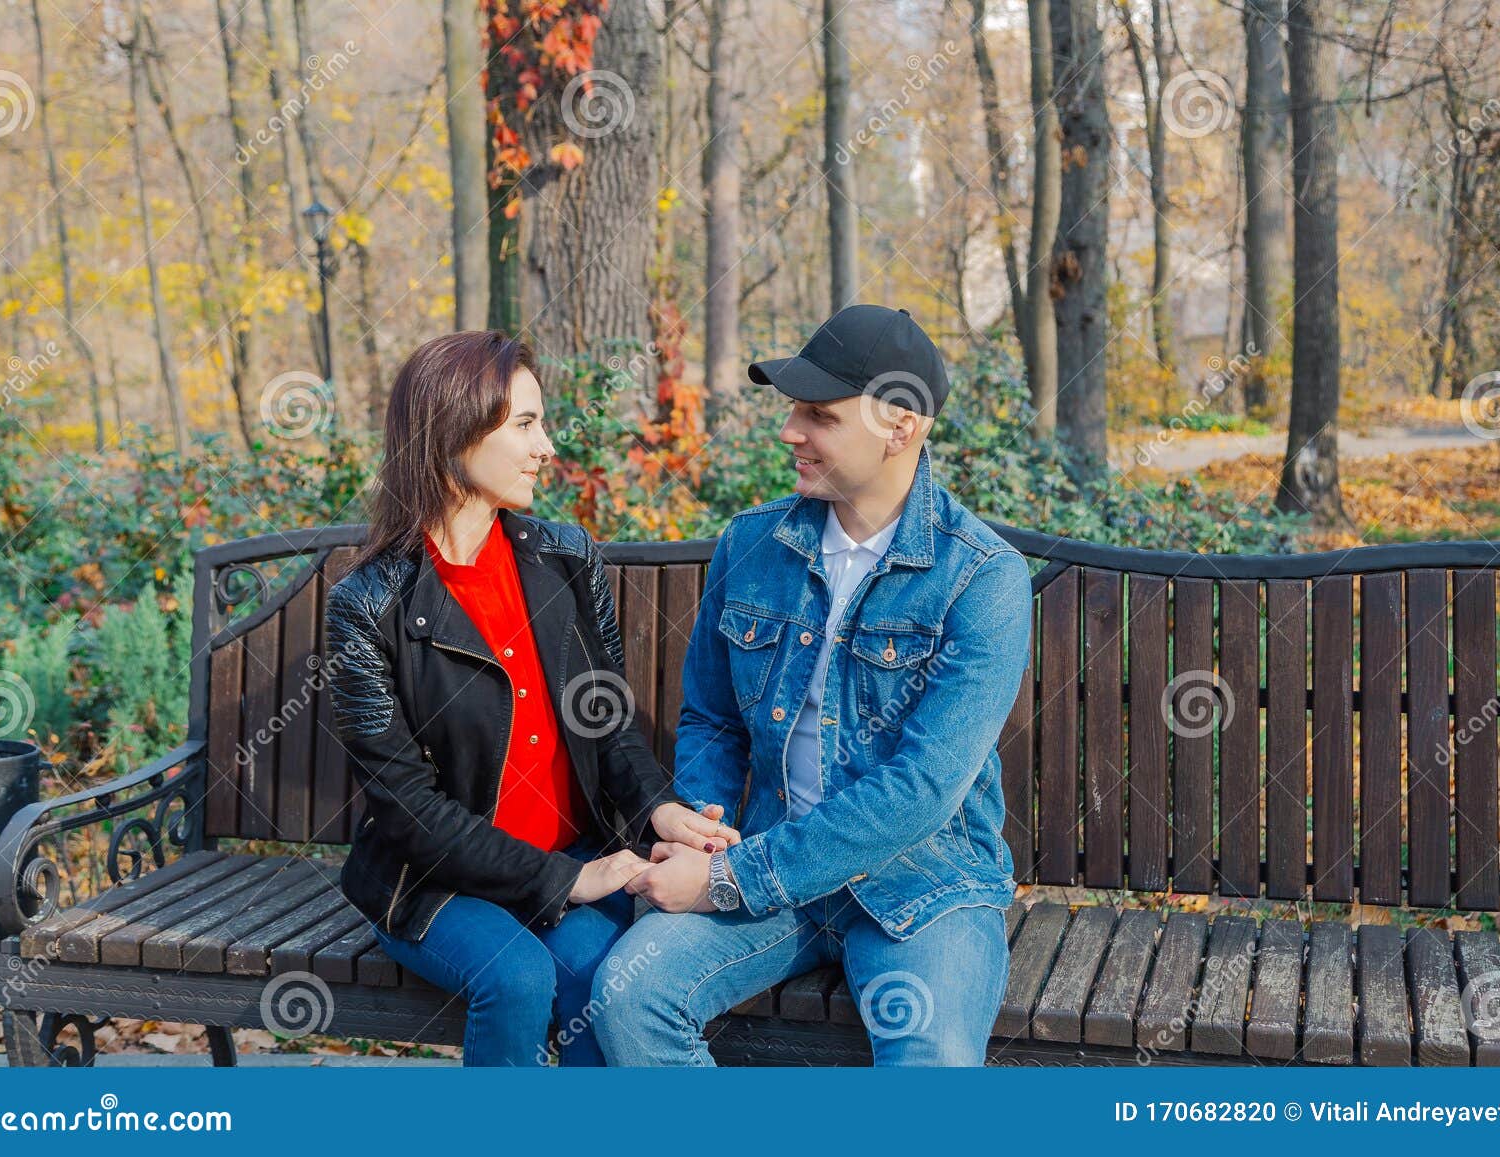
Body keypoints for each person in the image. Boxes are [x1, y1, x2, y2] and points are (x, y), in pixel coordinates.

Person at [591, 304, 1034, 1066]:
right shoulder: (752, 543)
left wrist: (729, 878)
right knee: (629, 996)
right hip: (769, 861)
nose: (789, 431)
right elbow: (713, 718)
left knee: (931, 1064)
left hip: (921, 882)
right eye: (793, 409)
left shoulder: (982, 577)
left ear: (902, 428)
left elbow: (923, 788)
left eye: (819, 415)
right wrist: (705, 825)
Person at [323, 330, 738, 1066]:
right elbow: (411, 811)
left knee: (609, 980)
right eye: (524, 424)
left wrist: (659, 810)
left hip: (566, 856)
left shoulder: (564, 559)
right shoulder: (368, 605)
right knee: (516, 977)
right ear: (450, 432)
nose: (547, 447)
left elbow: (608, 726)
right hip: (435, 880)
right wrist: (570, 880)